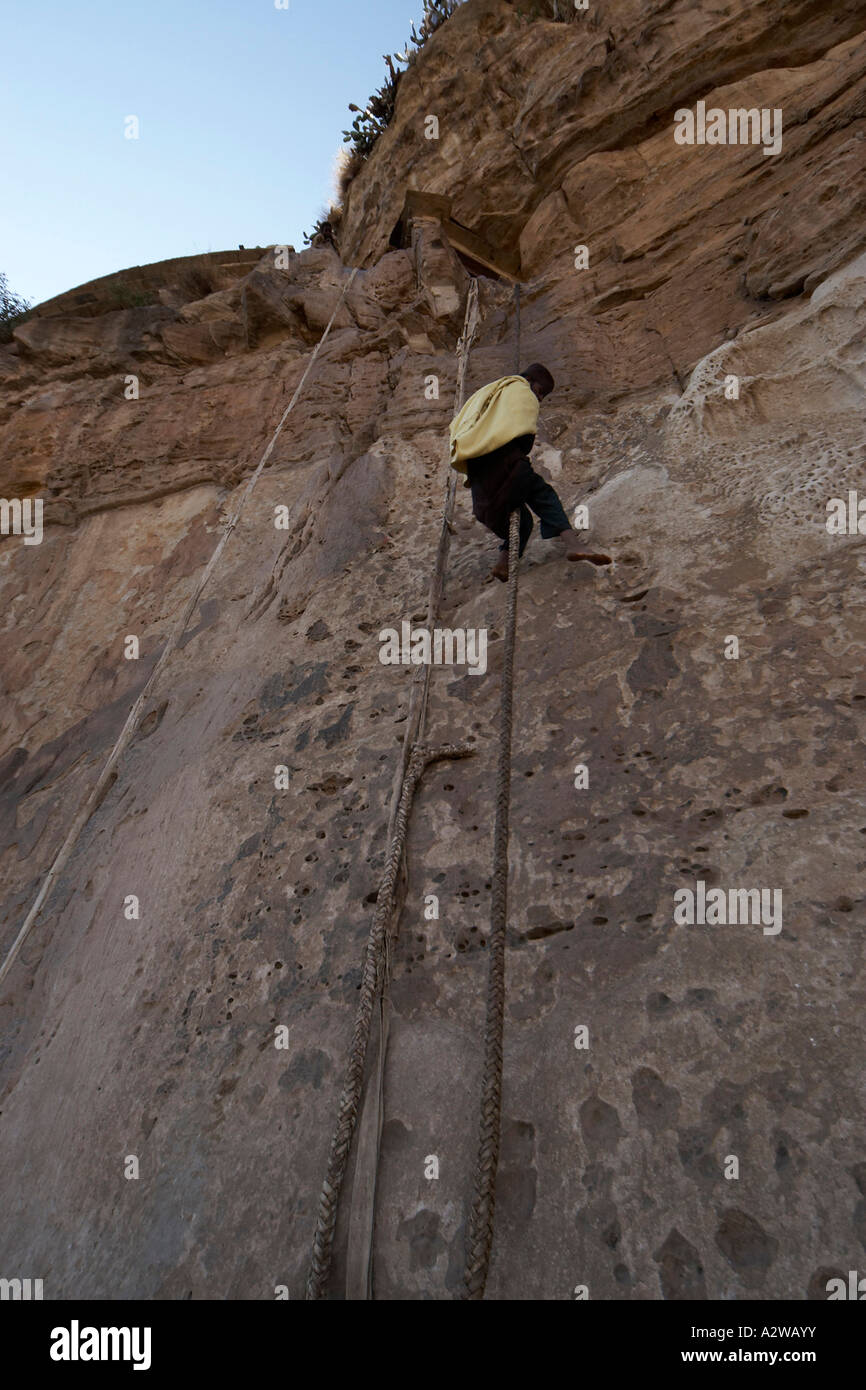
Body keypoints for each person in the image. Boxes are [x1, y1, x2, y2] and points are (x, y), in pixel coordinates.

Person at [450, 363, 611, 581]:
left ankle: (503, 563)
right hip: (506, 464)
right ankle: (574, 544)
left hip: (480, 482)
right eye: (541, 391)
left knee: (523, 521)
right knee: (544, 495)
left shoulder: (490, 394)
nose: (540, 398)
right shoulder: (519, 389)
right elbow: (523, 434)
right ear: (532, 381)